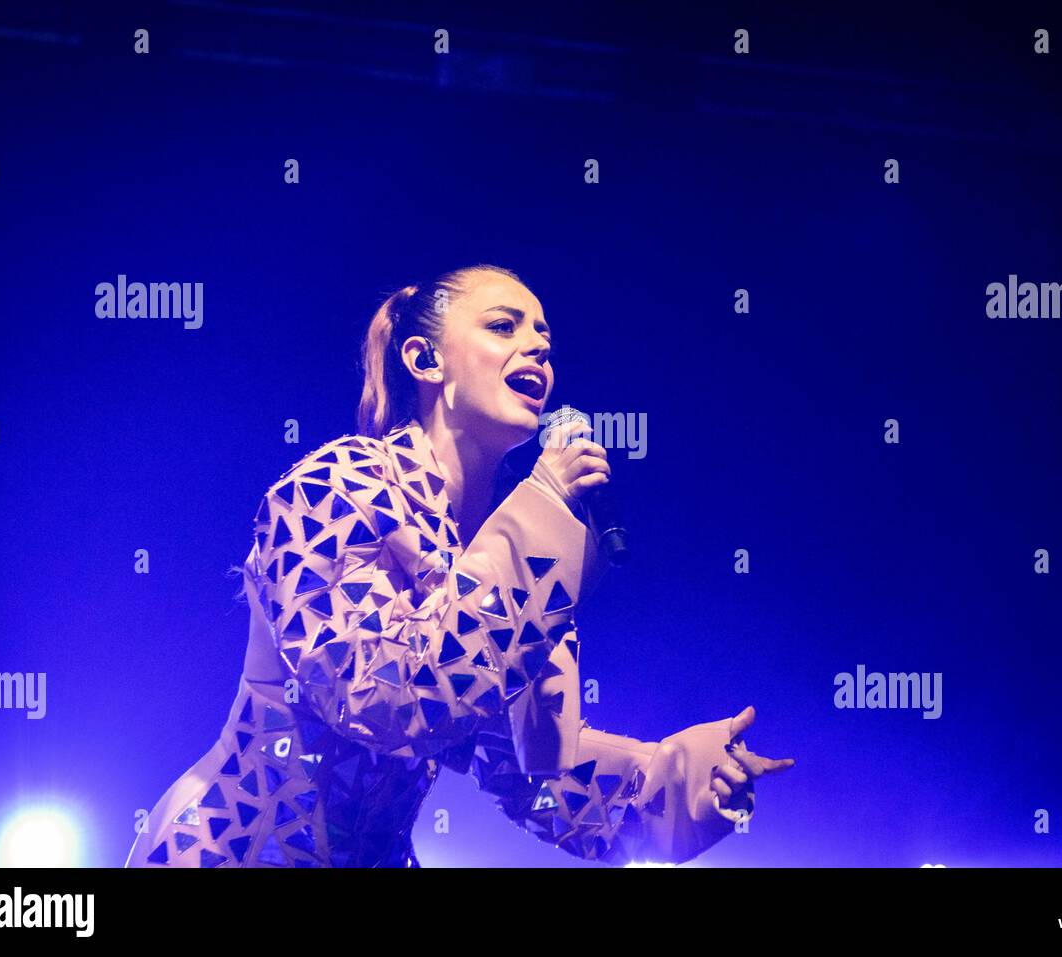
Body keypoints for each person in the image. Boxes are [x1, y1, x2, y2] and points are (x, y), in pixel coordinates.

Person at [125, 264, 793, 868]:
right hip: (229, 851)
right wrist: (542, 510)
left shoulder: (507, 542)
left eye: (544, 340)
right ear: (424, 358)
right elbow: (383, 696)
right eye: (504, 326)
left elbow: (534, 776)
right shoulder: (333, 486)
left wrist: (685, 777)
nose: (537, 347)